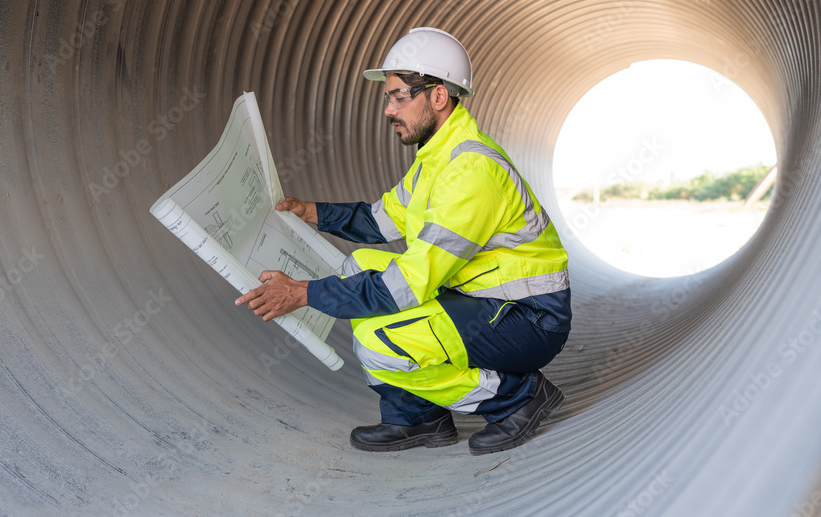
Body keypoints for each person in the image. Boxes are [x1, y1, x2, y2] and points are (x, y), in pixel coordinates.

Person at [235, 27, 571, 455]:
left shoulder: (471, 172)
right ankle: (419, 418)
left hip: (528, 319)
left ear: (438, 96)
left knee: (381, 341)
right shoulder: (437, 158)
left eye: (399, 97)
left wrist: (303, 294)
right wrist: (309, 211)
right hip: (482, 300)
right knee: (360, 265)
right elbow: (381, 220)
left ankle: (519, 398)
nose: (389, 110)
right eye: (388, 98)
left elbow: (407, 286)